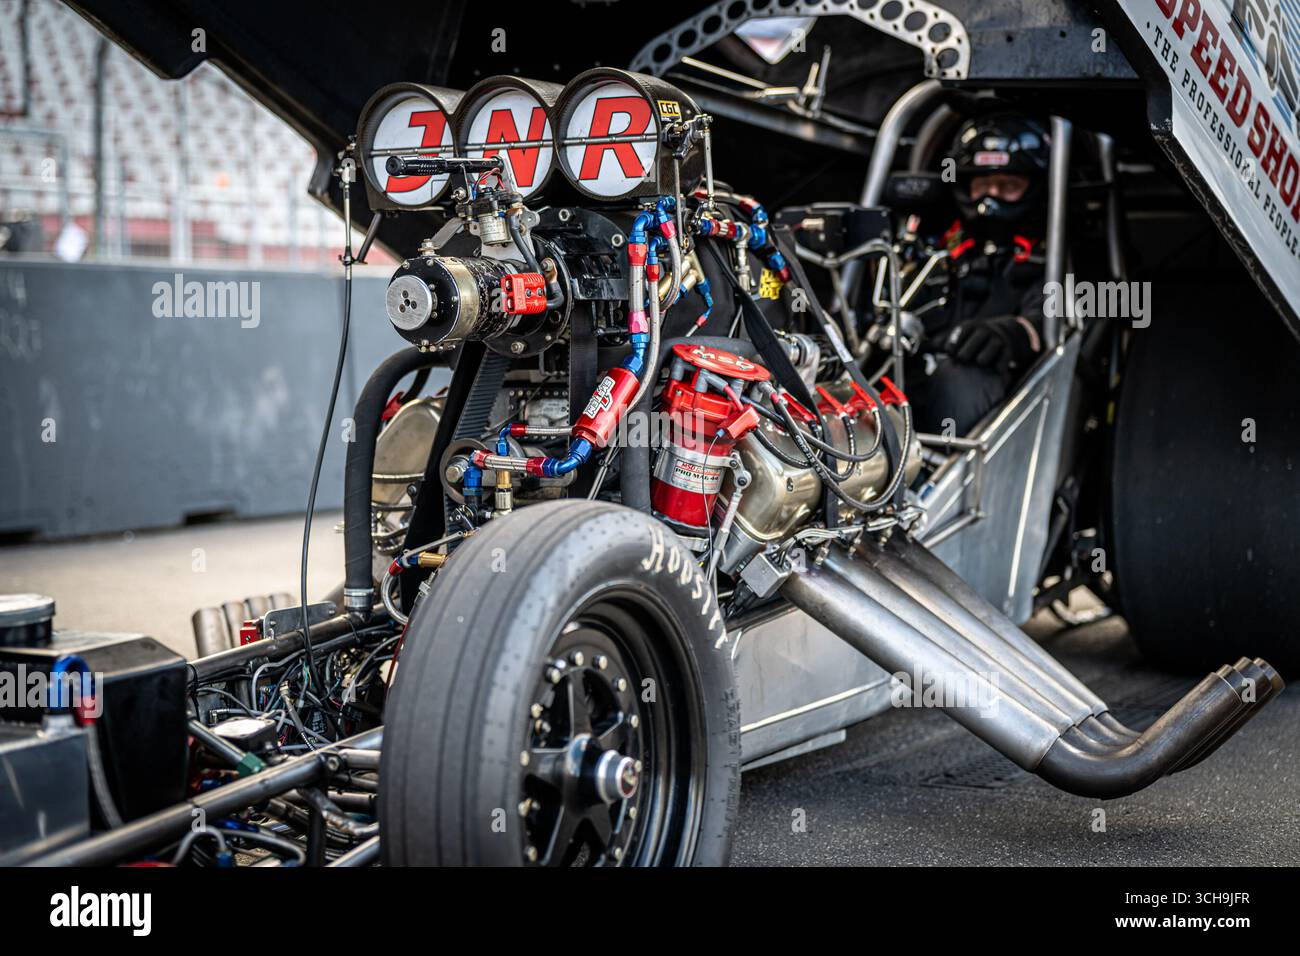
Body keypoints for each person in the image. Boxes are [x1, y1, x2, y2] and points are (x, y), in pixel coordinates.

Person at [902, 113, 1051, 434]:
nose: (991, 196)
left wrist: (1014, 333)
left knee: (957, 382)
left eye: (1008, 185)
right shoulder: (937, 255)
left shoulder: (1050, 258)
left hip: (1005, 401)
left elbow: (1056, 318)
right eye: (982, 184)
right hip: (915, 389)